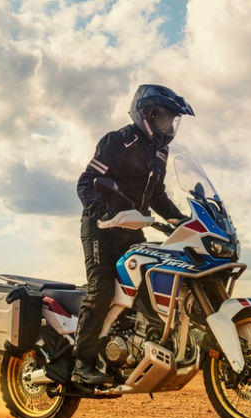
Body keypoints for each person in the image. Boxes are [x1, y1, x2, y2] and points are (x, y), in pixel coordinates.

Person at [72, 84, 195, 386]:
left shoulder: (160, 153)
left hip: (132, 229)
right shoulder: (117, 142)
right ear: (149, 115)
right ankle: (81, 363)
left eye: (173, 121)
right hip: (101, 228)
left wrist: (182, 221)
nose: (170, 126)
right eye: (166, 119)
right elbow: (87, 182)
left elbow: (157, 195)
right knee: (101, 288)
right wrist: (102, 212)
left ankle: (126, 353)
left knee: (148, 287)